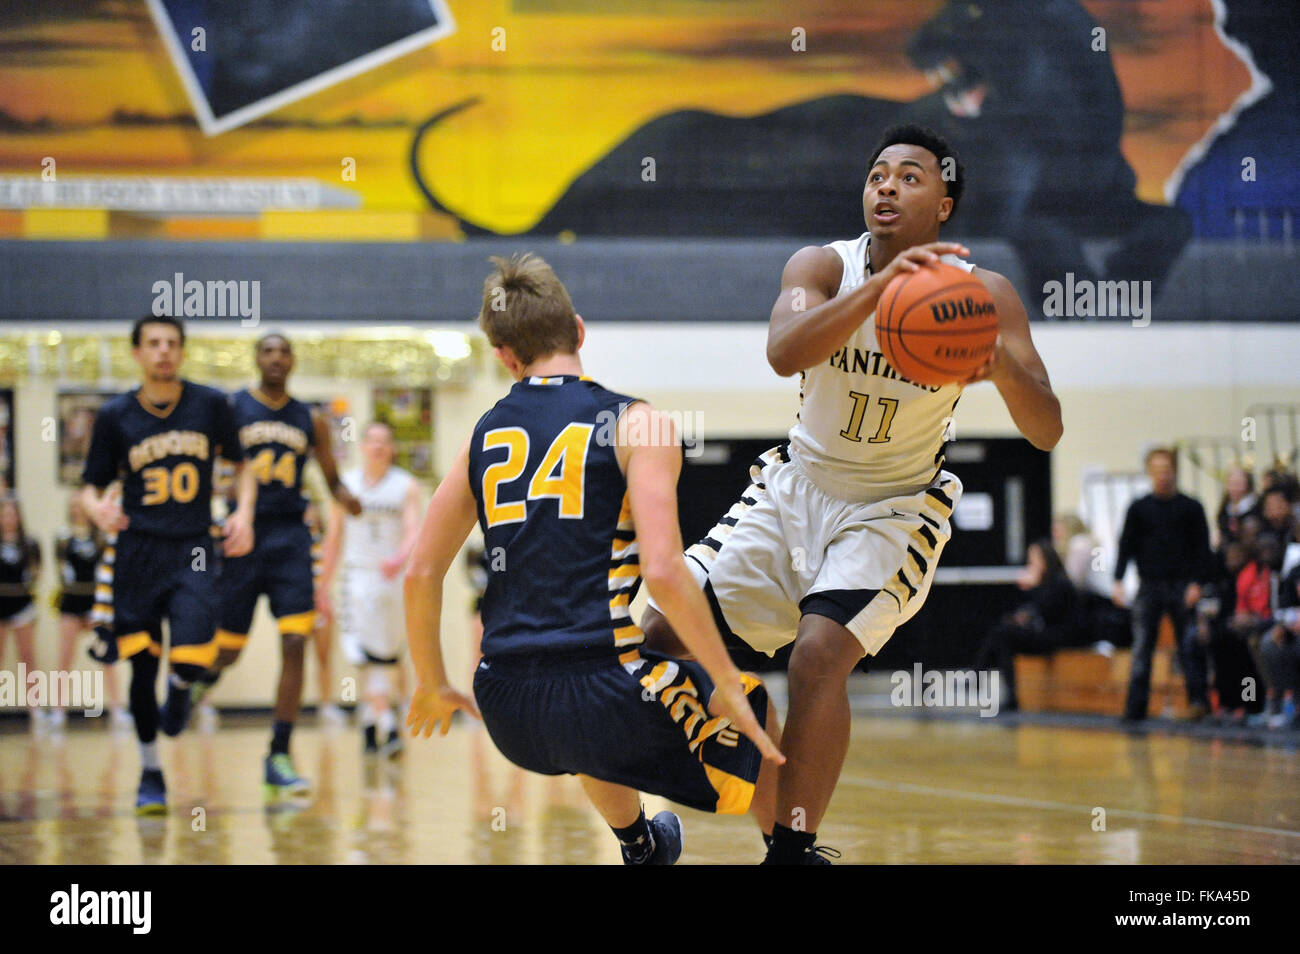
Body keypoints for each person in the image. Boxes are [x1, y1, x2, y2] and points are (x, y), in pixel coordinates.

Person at [639, 124, 1062, 862]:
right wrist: (878, 295)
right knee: (658, 635)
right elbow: (782, 352)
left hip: (893, 505)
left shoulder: (984, 295)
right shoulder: (824, 266)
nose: (887, 187)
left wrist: (1001, 367)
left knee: (818, 656)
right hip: (796, 486)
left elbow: (1047, 429)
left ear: (945, 204)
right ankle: (743, 726)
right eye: (877, 176)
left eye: (909, 176)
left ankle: (793, 850)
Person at [404, 253, 783, 865]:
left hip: (504, 703)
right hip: (603, 693)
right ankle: (788, 853)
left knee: (590, 732)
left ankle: (641, 846)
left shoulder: (483, 434)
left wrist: (431, 683)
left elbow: (422, 572)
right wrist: (727, 686)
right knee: (752, 706)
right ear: (578, 329)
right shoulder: (637, 422)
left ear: (504, 355)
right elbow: (663, 571)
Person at [81, 315, 256, 814]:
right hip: (137, 551)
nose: (163, 351)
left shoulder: (209, 404)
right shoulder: (115, 416)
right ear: (136, 352)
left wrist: (243, 512)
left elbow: (242, 467)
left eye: (172, 343)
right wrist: (97, 509)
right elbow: (91, 487)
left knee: (193, 654)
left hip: (195, 546)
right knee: (141, 667)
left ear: (181, 351)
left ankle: (181, 689)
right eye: (153, 343)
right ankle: (151, 769)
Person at [188, 333, 361, 797]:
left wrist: (351, 500)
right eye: (268, 351)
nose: (277, 358)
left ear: (294, 361)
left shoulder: (311, 418)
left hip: (290, 539)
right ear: (256, 359)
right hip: (242, 537)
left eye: (285, 351)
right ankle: (201, 682)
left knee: (294, 643)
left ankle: (279, 754)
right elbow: (207, 465)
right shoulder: (232, 407)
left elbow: (330, 479)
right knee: (227, 650)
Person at [318, 421, 421, 756]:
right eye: (372, 441)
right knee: (368, 656)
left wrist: (399, 557)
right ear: (362, 446)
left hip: (391, 579)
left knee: (386, 656)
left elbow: (413, 531)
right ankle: (388, 727)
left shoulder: (406, 486)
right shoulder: (345, 486)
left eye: (384, 442)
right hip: (356, 579)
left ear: (391, 449)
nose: (377, 447)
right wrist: (322, 586)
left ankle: (368, 718)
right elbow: (333, 539)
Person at [1111, 447, 1214, 723]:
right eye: (1156, 471)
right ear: (1149, 473)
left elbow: (1203, 549)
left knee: (1189, 647)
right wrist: (1118, 580)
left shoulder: (1191, 507)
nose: (1162, 476)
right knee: (1142, 647)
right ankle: (1135, 709)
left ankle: (1198, 703)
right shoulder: (1139, 508)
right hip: (1150, 585)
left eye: (1166, 470)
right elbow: (1126, 545)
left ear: (1174, 471)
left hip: (1182, 585)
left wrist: (1197, 583)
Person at [972, 539, 1084, 711]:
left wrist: (1032, 588)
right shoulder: (1044, 583)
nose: (1031, 563)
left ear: (1046, 559)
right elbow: (1029, 612)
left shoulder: (1059, 583)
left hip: (1060, 636)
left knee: (1003, 634)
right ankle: (1007, 693)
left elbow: (1044, 611)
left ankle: (979, 677)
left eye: (1035, 558)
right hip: (1045, 634)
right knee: (1002, 635)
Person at [51, 496, 128, 731]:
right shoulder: (63, 537)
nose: (77, 510)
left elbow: (108, 565)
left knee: (107, 657)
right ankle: (58, 711)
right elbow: (61, 569)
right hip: (72, 601)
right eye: (73, 506)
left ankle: (117, 710)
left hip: (95, 602)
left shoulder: (100, 537)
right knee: (65, 657)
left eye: (80, 506)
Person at [0, 496, 43, 731]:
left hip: (22, 606)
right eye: (5, 514)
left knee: (28, 659)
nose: (9, 518)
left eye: (12, 513)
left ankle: (35, 710)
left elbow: (36, 571)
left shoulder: (29, 543)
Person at [1215, 466, 1259, 548]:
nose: (1234, 488)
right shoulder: (1226, 506)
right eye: (1231, 484)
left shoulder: (1255, 505)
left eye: (1238, 483)